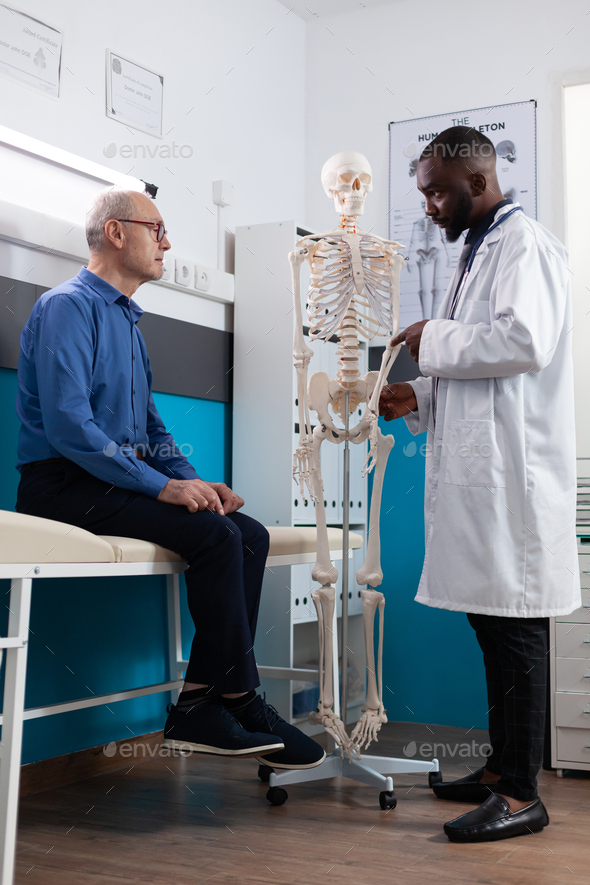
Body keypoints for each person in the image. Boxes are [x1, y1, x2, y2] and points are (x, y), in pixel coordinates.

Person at [15, 188, 325, 771]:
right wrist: (163, 488)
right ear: (114, 233)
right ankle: (239, 697)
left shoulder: (129, 324)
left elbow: (153, 430)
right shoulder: (67, 306)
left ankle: (198, 704)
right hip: (60, 486)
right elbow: (70, 429)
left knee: (246, 532)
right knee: (215, 537)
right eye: (155, 228)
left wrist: (196, 482)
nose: (167, 242)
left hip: (108, 483)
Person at [379, 127, 580, 843]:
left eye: (437, 190)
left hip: (515, 479)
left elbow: (523, 342)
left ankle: (523, 795)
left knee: (515, 629)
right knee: (492, 625)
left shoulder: (524, 244)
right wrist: (421, 398)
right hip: (484, 472)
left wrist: (430, 338)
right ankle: (501, 771)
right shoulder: (479, 248)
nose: (429, 205)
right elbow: (480, 375)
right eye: (424, 192)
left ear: (479, 180)